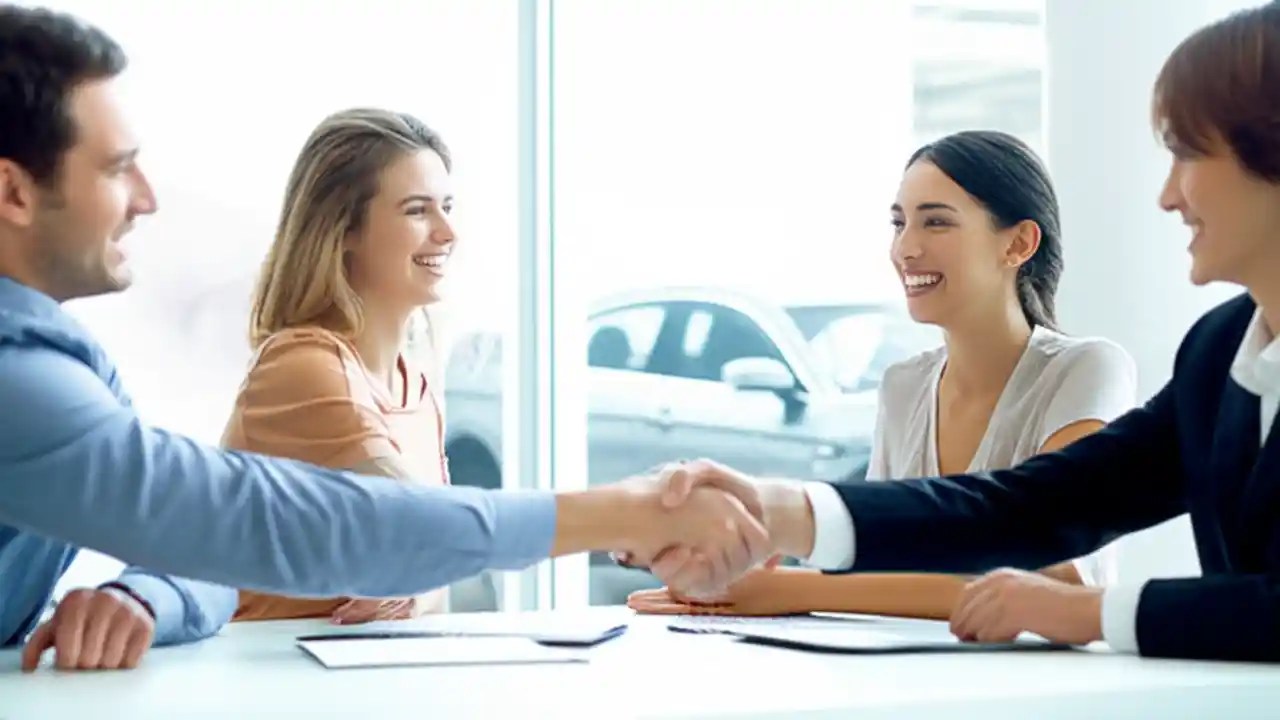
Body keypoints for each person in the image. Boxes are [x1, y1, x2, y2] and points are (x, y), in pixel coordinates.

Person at [0, 6, 773, 673]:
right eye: (117, 167)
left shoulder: (53, 358)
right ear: (14, 191)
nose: (148, 198)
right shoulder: (22, 381)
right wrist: (632, 511)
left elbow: (215, 546)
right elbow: (290, 520)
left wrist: (147, 590)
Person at [653, 1, 1280, 662]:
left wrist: (1091, 612)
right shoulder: (1219, 354)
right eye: (900, 222)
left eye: (1187, 153)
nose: (1166, 196)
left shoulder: (1093, 365)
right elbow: (1034, 505)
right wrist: (781, 510)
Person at [629, 131, 1136, 618]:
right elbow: (873, 561)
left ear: (1019, 243)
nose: (906, 249)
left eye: (936, 223)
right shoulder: (903, 386)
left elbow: (1054, 578)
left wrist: (786, 590)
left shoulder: (1087, 369)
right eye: (899, 224)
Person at [220, 109, 459, 625]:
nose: (447, 232)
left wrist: (416, 589)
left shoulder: (413, 384)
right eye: (418, 211)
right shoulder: (304, 366)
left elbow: (442, 563)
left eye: (447, 206)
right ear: (343, 230)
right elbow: (453, 533)